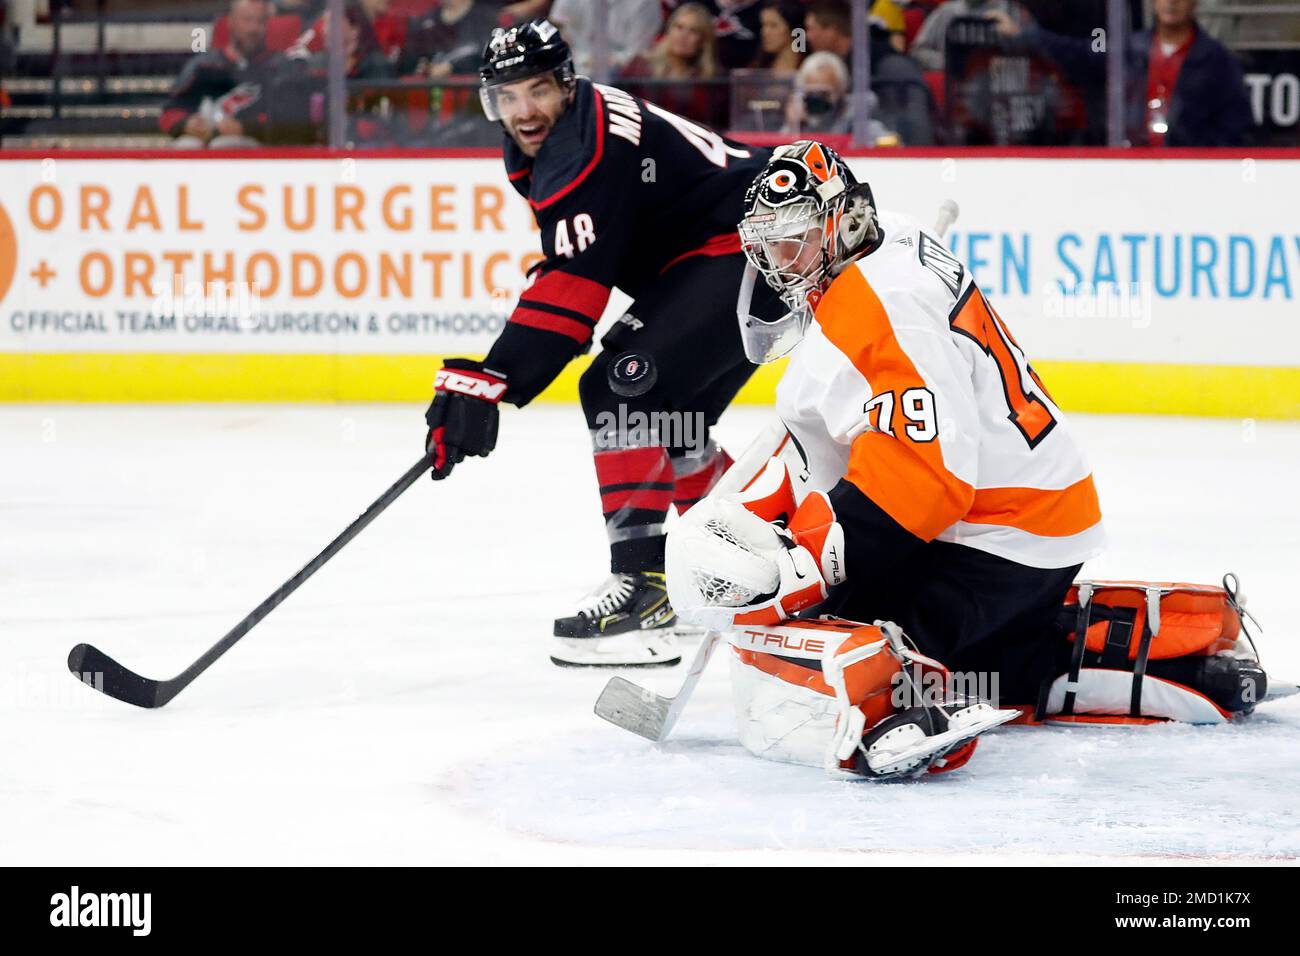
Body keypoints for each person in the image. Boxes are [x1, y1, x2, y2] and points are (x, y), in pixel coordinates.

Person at [664, 141, 1266, 776]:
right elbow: (858, 428)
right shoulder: (888, 238)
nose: (781, 264)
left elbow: (927, 483)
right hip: (1043, 526)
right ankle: (1176, 666)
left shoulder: (878, 308)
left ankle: (892, 709)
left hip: (989, 542)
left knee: (792, 623)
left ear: (843, 226)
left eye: (796, 243)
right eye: (770, 246)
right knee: (997, 664)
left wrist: (801, 558)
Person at [423, 20, 784, 667]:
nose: (523, 111)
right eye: (506, 97)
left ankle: (643, 591)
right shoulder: (565, 132)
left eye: (535, 91)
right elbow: (579, 260)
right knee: (672, 418)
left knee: (620, 386)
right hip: (744, 251)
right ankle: (758, 563)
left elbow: (576, 283)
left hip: (751, 249)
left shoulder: (583, 145)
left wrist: (494, 378)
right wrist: (497, 375)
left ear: (565, 84)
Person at [988, 0, 1252, 147]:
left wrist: (1205, 159)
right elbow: (1078, 54)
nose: (1171, 2)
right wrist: (1028, 35)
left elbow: (1234, 127)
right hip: (1130, 165)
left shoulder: (1218, 61)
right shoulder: (1130, 49)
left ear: (1195, 3)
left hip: (1191, 173)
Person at [162, 0, 296, 148]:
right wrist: (186, 124)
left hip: (257, 147)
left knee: (225, 145)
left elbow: (292, 120)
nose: (253, 28)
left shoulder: (280, 67)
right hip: (203, 139)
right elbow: (170, 111)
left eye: (261, 21)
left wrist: (246, 128)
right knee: (186, 146)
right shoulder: (203, 65)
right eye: (247, 20)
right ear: (230, 22)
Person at [620, 3, 727, 127]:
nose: (683, 36)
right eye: (679, 27)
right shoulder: (639, 66)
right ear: (669, 30)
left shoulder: (713, 78)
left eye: (693, 31)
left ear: (703, 40)